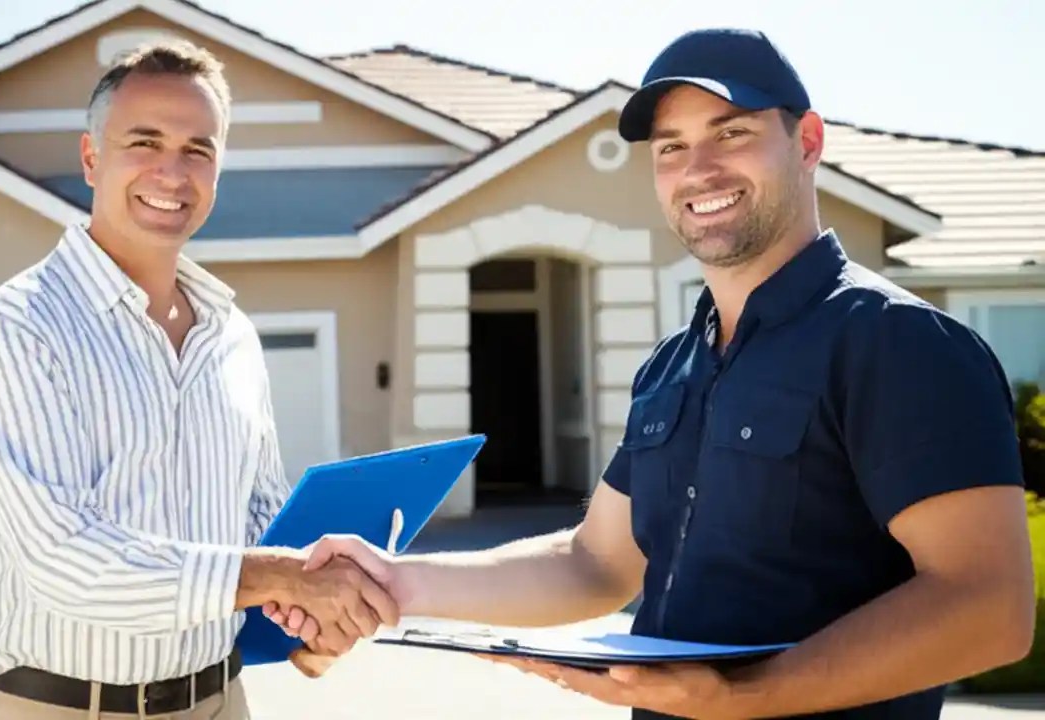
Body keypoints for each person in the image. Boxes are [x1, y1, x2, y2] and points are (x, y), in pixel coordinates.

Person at [266, 28, 1036, 719]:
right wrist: (394, 583)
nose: (697, 168)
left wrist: (745, 701)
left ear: (807, 140)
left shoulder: (897, 343)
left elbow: (988, 606)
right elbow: (594, 562)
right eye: (670, 147)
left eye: (730, 134)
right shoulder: (675, 365)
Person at [0, 40, 397, 720]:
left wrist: (312, 626)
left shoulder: (231, 336)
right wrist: (283, 578)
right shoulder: (18, 328)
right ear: (92, 158)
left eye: (198, 149)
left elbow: (262, 523)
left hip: (220, 701)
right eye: (144, 142)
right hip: (63, 709)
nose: (172, 171)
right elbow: (63, 560)